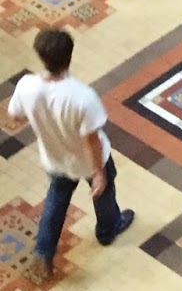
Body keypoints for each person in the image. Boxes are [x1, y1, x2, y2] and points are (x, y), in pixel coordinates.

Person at [6, 29, 135, 277]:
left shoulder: (27, 85)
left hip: (54, 158)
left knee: (56, 199)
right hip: (88, 161)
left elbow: (15, 115)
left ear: (41, 56)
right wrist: (99, 173)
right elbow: (92, 140)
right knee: (104, 192)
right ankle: (108, 229)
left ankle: (43, 253)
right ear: (69, 56)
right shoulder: (82, 97)